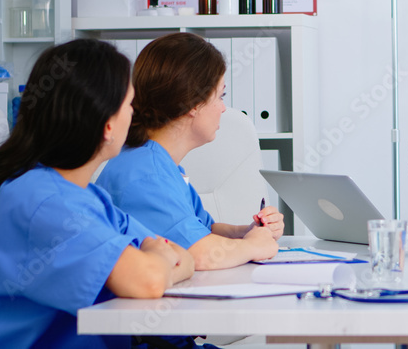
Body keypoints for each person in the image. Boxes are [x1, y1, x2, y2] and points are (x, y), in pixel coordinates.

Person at [0, 40, 194, 349]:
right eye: (129, 104)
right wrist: (158, 258)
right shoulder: (44, 203)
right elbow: (149, 278)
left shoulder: (87, 196)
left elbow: (182, 256)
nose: (134, 114)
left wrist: (158, 260)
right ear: (108, 125)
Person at [96, 33, 283, 270]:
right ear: (194, 103)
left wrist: (248, 232)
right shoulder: (145, 174)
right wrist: (254, 246)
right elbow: (200, 253)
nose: (224, 108)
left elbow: (205, 229)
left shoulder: (161, 163)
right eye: (220, 96)